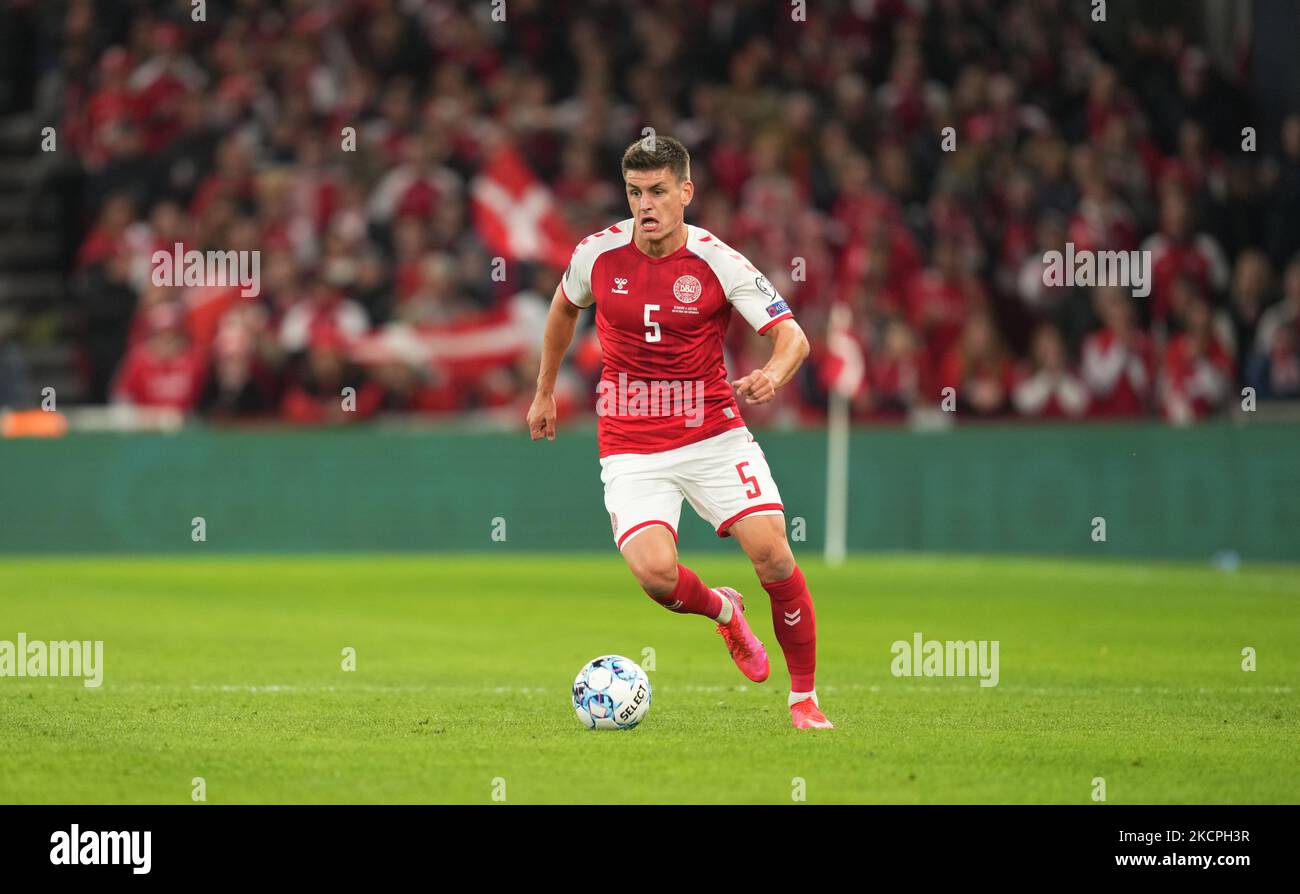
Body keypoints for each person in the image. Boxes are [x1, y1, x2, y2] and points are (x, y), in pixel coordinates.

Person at [527, 136, 831, 729]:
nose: (646, 205)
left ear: (686, 192)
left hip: (712, 432)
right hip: (630, 440)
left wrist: (772, 373)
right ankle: (724, 611)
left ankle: (805, 701)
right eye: (636, 192)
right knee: (655, 575)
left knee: (772, 552)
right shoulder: (597, 254)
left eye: (659, 191)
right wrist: (543, 390)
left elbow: (793, 336)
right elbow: (564, 308)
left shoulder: (721, 262)